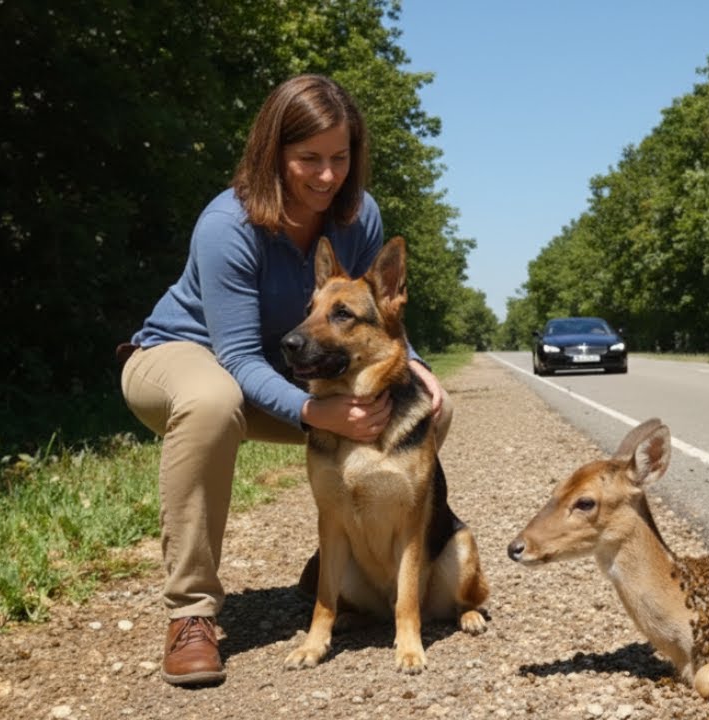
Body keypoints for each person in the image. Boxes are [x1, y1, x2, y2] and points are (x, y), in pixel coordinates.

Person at [117, 74, 451, 687]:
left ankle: (355, 565)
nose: (327, 177)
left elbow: (379, 314)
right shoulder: (228, 225)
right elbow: (240, 358)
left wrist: (421, 369)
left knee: (428, 407)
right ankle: (191, 613)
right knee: (212, 402)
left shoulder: (360, 214)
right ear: (274, 153)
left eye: (340, 157)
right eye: (309, 159)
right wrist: (317, 414)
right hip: (181, 356)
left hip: (288, 366)